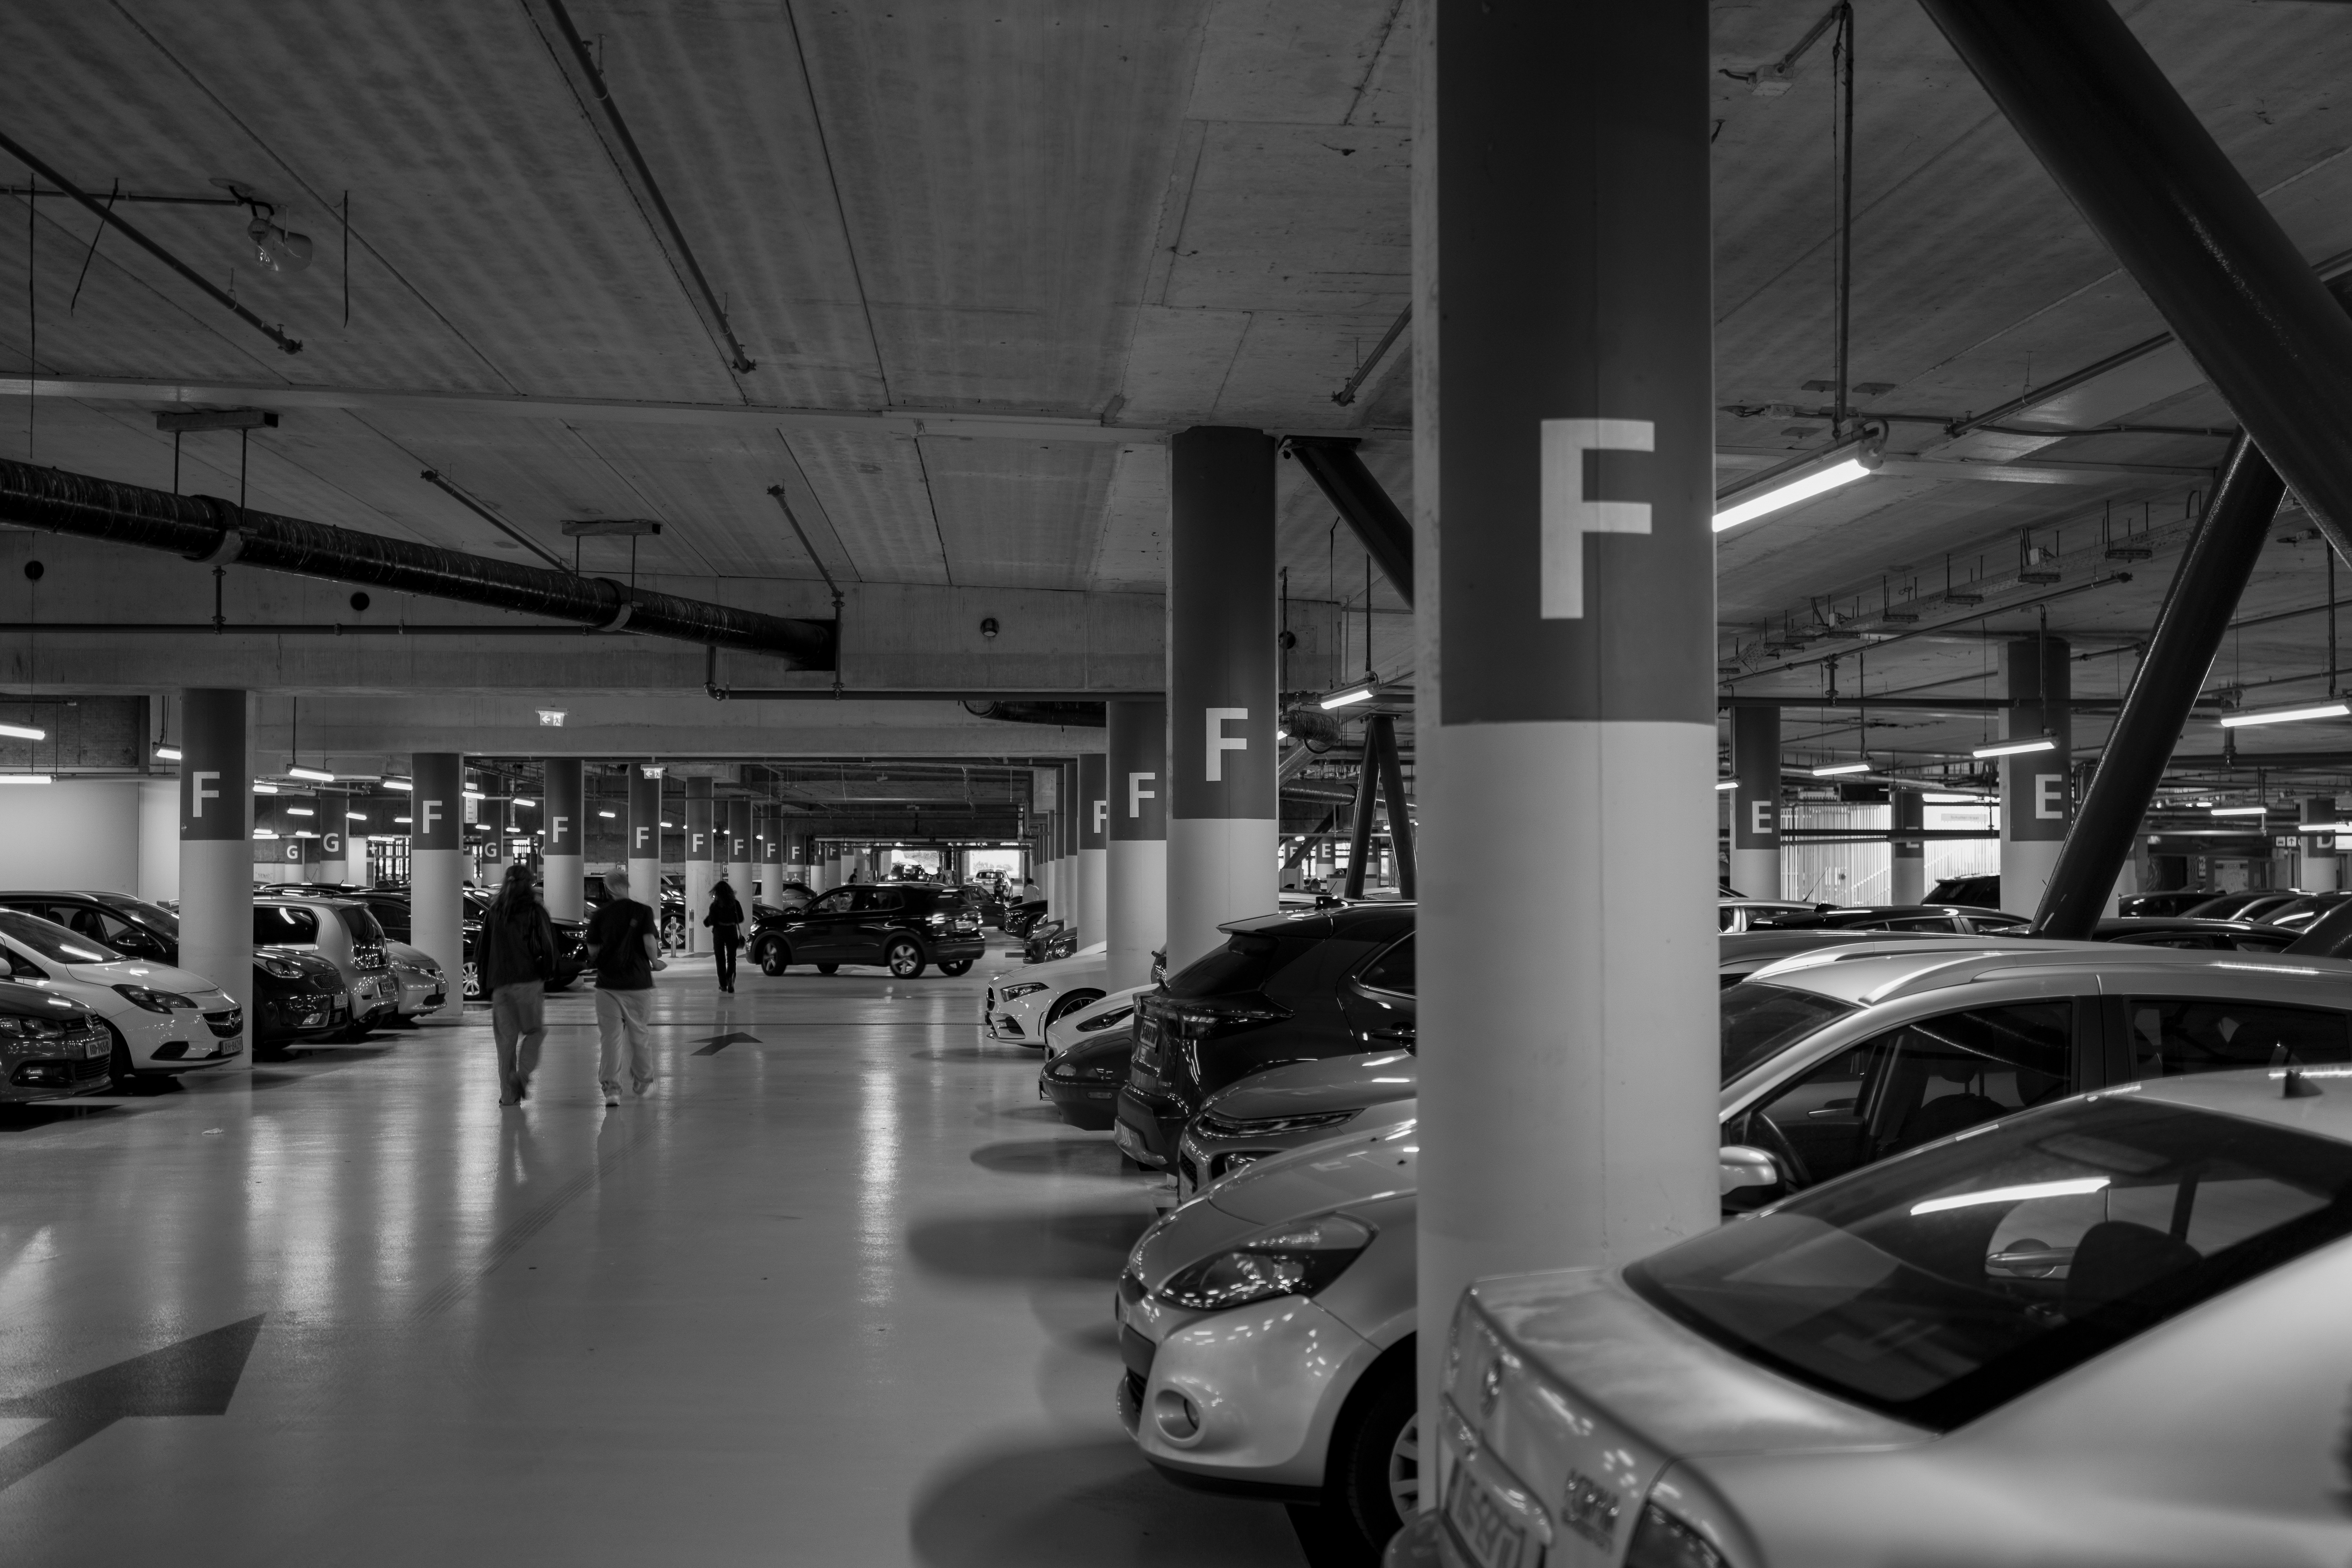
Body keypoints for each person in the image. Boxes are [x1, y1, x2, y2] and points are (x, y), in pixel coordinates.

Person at [476, 862, 558, 1105]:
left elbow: (482, 951)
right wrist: (549, 974)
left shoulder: (494, 912)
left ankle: (508, 1098)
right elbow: (548, 946)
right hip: (529, 984)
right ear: (530, 884)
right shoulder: (535, 911)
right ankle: (521, 1077)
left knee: (506, 1044)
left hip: (501, 986)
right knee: (535, 1032)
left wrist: (485, 983)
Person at [584, 867, 664, 1106]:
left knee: (611, 1038)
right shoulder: (643, 912)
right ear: (627, 886)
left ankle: (612, 1091)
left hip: (608, 985)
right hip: (638, 984)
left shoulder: (599, 916)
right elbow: (650, 942)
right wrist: (655, 962)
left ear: (608, 889)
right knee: (639, 1033)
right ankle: (643, 1082)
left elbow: (592, 951)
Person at [705, 878, 746, 993]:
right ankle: (731, 977)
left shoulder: (715, 905)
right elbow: (741, 919)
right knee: (732, 958)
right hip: (732, 931)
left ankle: (723, 985)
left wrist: (707, 921)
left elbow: (711, 922)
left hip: (719, 933)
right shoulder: (735, 903)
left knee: (720, 959)